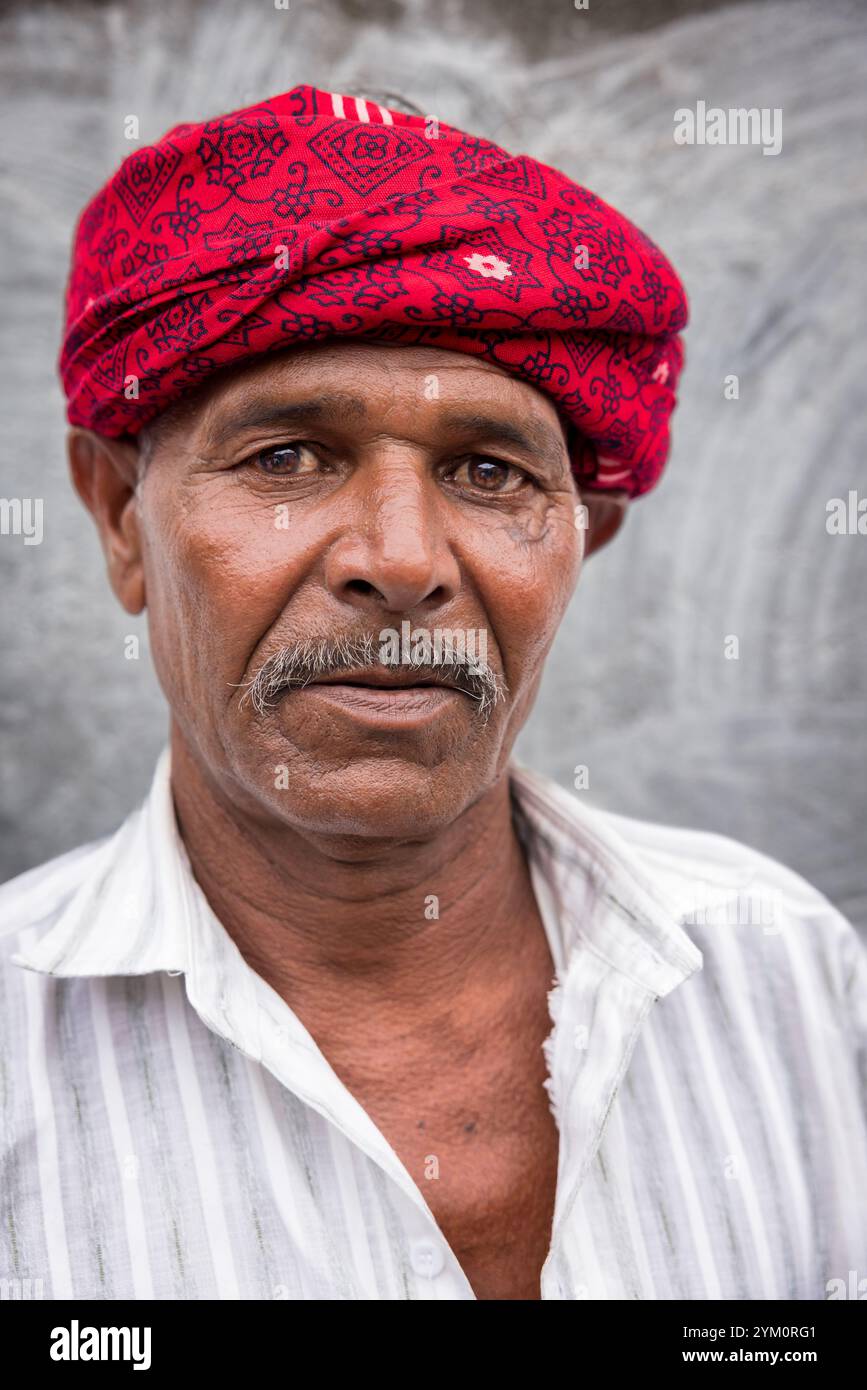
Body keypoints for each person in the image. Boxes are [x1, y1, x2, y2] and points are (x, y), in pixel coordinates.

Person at [1, 84, 864, 1302]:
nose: (401, 561)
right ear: (117, 519)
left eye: (486, 469)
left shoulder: (790, 982)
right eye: (287, 456)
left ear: (580, 537)